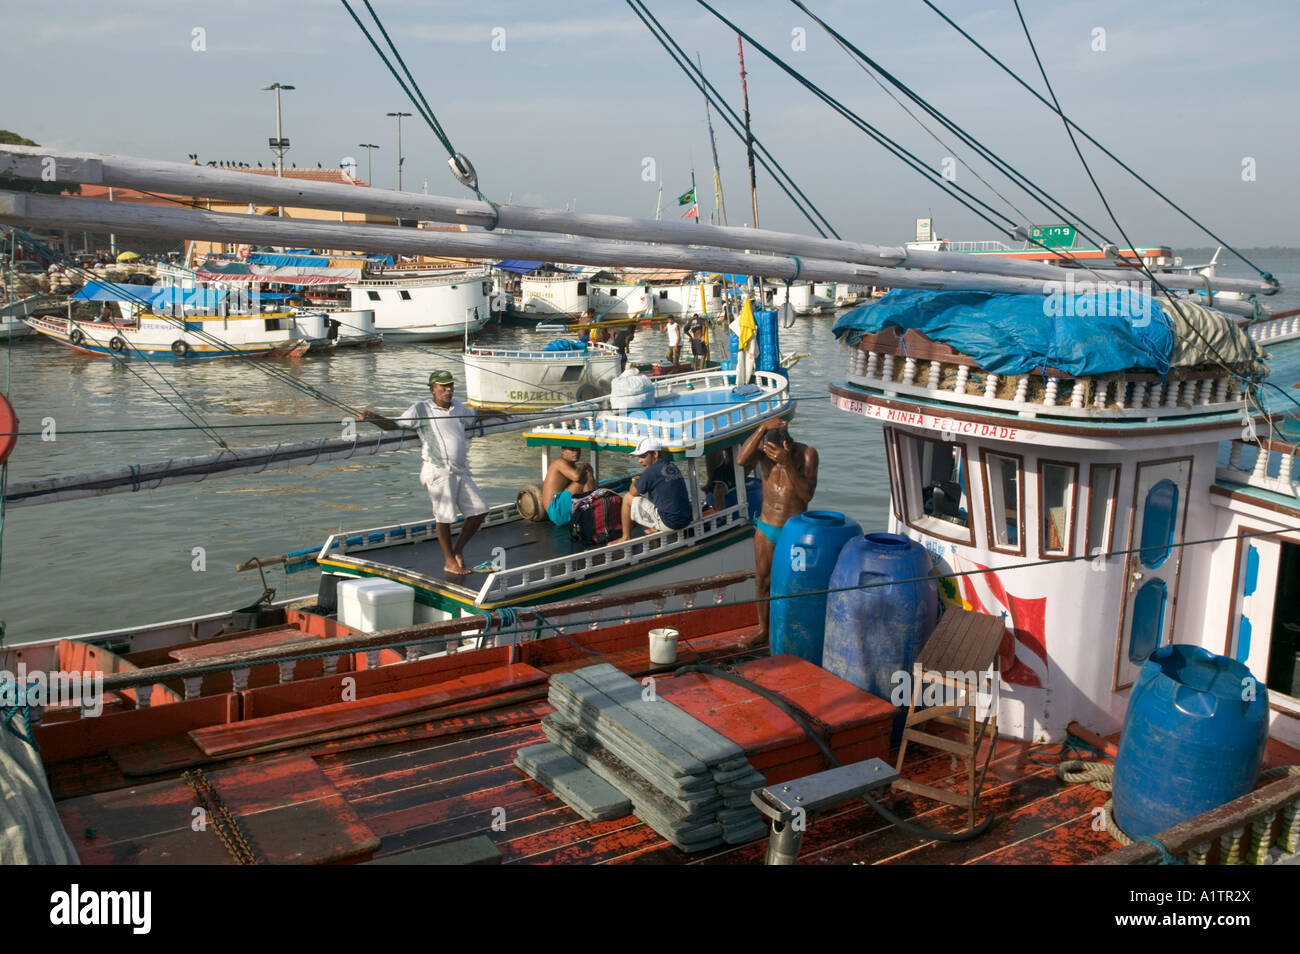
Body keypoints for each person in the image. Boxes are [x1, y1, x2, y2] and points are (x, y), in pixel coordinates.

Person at [361, 370, 489, 578]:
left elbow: (475, 416)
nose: (448, 389)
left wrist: (498, 412)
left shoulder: (458, 407)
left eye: (450, 385)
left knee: (480, 510)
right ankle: (449, 562)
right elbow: (395, 424)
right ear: (432, 389)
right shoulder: (420, 409)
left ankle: (457, 551)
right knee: (444, 517)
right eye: (442, 386)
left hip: (460, 470)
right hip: (437, 469)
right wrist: (373, 418)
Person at [736, 419, 819, 647]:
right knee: (762, 581)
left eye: (777, 452)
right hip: (766, 526)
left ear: (787, 444)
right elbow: (741, 460)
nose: (772, 456)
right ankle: (763, 630)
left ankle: (793, 627)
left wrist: (786, 464)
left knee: (794, 583)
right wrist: (762, 428)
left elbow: (806, 495)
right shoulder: (763, 454)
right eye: (768, 451)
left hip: (793, 530)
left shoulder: (807, 454)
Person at [618, 438, 692, 541]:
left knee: (627, 498)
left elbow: (633, 492)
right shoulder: (671, 466)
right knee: (657, 493)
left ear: (655, 454)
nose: (640, 460)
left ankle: (625, 537)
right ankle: (657, 527)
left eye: (643, 456)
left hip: (670, 523)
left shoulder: (651, 471)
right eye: (639, 457)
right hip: (685, 518)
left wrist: (634, 480)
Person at [541, 446, 596, 526]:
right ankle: (592, 511)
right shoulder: (559, 462)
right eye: (572, 450)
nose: (576, 453)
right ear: (562, 451)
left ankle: (589, 510)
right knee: (586, 473)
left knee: (584, 474)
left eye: (578, 449)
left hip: (558, 511)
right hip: (556, 509)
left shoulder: (571, 466)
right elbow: (576, 477)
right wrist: (585, 465)